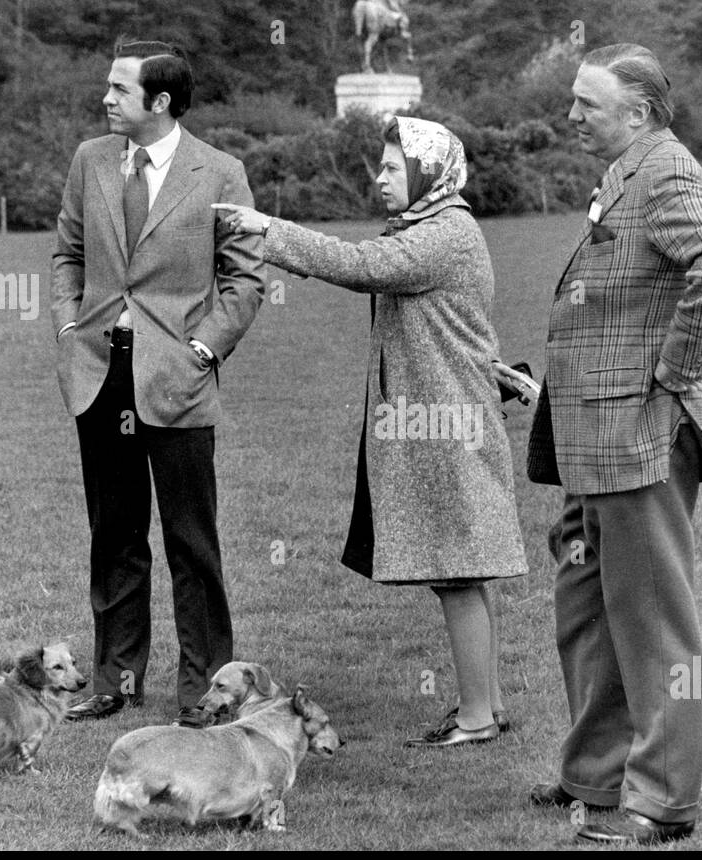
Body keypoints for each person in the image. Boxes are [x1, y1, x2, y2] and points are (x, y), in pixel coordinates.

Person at [214, 116, 529, 747]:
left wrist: (267, 231)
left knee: (458, 572)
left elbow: (360, 265)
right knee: (460, 570)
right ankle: (483, 708)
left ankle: (475, 718)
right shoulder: (433, 227)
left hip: (446, 425)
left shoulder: (445, 232)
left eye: (392, 168)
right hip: (442, 419)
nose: (380, 179)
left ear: (427, 172)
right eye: (381, 168)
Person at [525, 44, 702, 845]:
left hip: (640, 435)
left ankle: (660, 803)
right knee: (585, 608)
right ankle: (594, 772)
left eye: (587, 104)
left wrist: (675, 374)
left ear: (639, 112)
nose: (572, 115)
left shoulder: (664, 171)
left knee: (653, 622)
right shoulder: (630, 167)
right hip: (597, 438)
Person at [51, 39, 265, 727]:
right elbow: (68, 254)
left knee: (191, 543)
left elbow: (244, 276)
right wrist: (68, 327)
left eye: (118, 89)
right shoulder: (90, 159)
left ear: (161, 101)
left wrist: (204, 347)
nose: (105, 99)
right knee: (113, 536)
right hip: (99, 377)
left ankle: (207, 688)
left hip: (179, 381)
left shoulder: (221, 172)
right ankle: (115, 678)